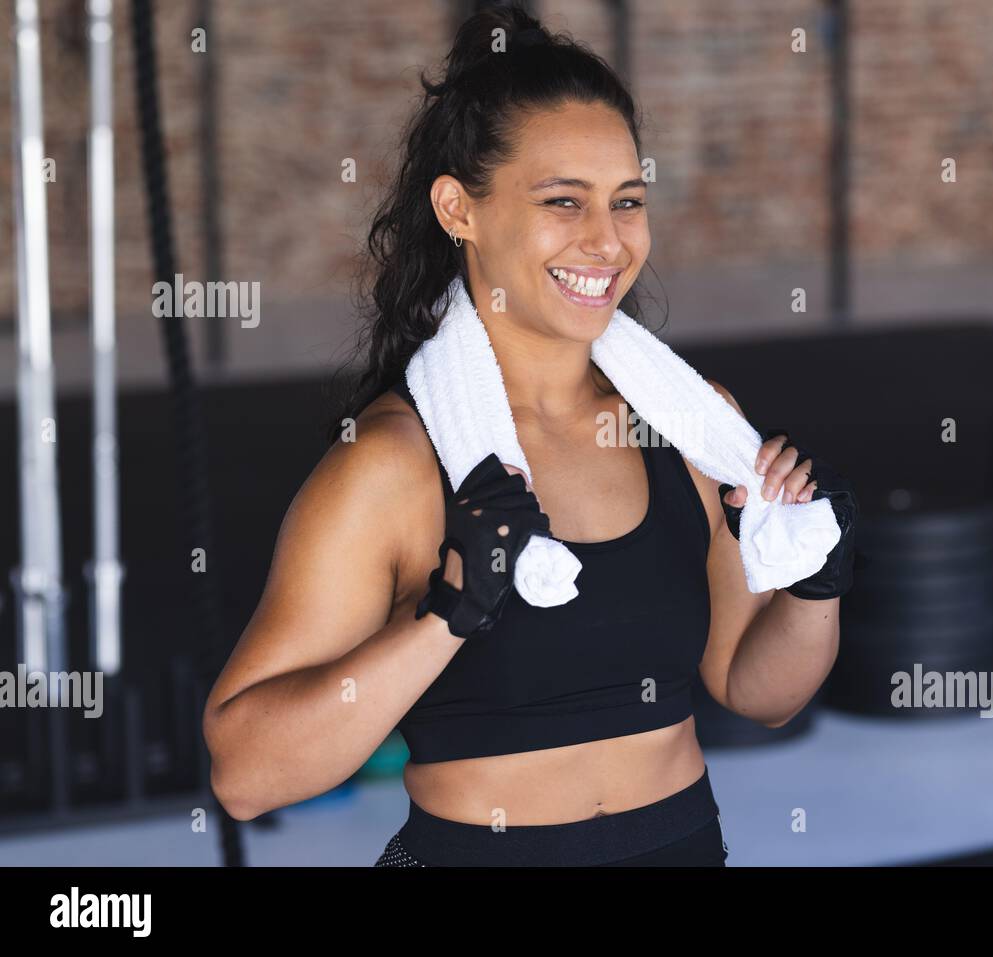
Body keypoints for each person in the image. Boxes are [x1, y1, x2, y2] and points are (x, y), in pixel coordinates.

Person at [201, 4, 856, 867]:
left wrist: (815, 583)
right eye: (562, 201)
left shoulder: (690, 423)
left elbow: (752, 687)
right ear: (457, 209)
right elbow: (246, 774)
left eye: (627, 201)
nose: (607, 240)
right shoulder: (395, 464)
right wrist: (450, 612)